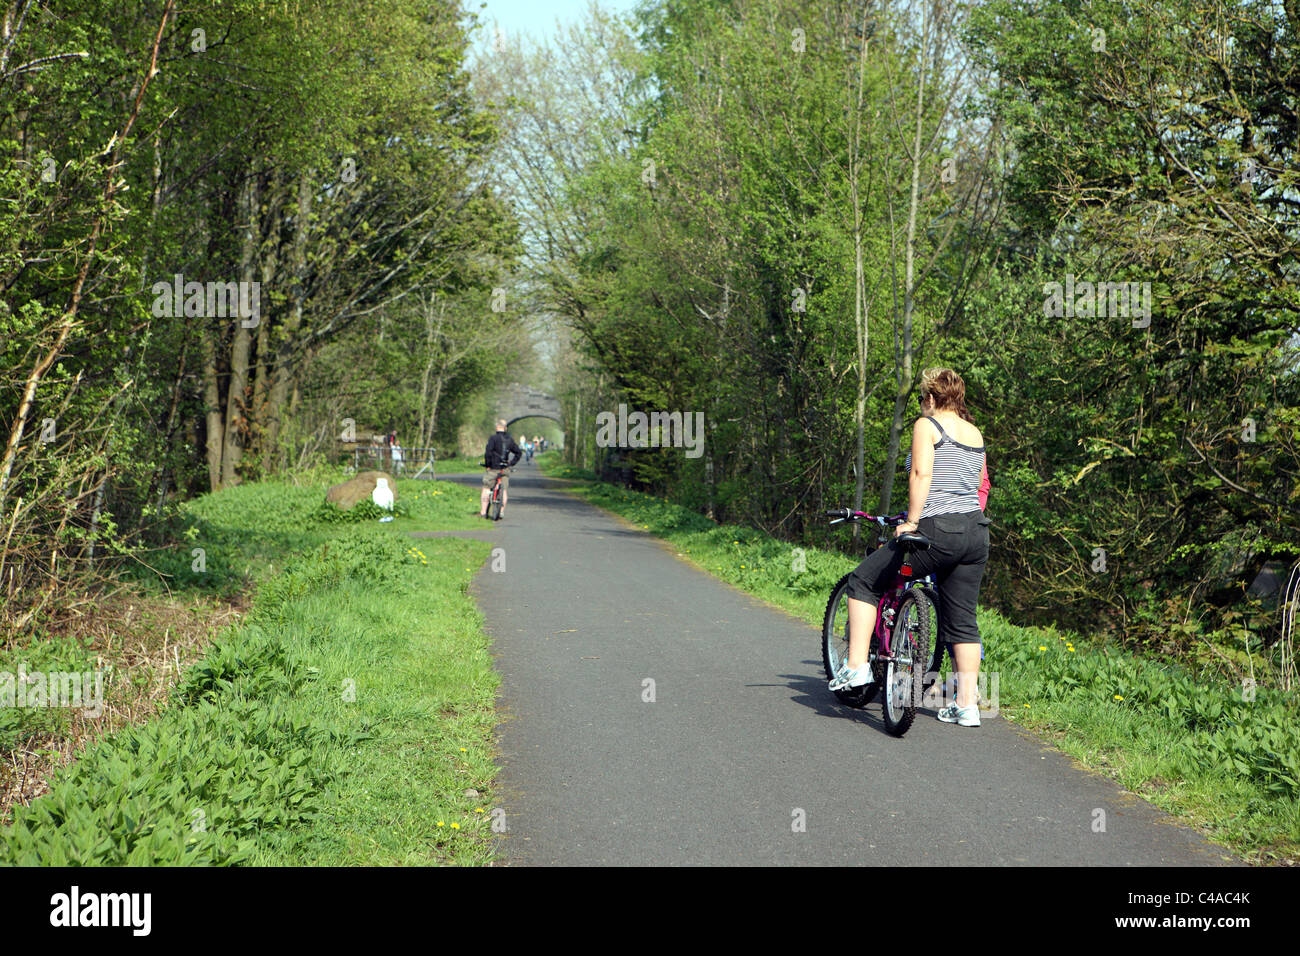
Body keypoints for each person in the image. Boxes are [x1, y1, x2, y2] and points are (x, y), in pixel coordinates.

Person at [829, 367, 991, 727]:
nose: (921, 404)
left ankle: (856, 666)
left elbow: (921, 474)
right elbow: (978, 485)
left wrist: (913, 522)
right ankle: (967, 704)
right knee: (963, 621)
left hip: (938, 529)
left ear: (932, 398)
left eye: (922, 398)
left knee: (864, 581)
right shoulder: (975, 433)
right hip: (976, 533)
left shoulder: (927, 425)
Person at [482, 420, 523, 518]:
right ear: (505, 428)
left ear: (497, 428)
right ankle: (501, 512)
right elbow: (518, 453)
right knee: (503, 490)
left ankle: (483, 512)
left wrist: (488, 464)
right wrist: (511, 463)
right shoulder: (510, 439)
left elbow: (488, 452)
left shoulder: (493, 438)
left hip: (494, 467)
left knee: (486, 488)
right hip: (505, 468)